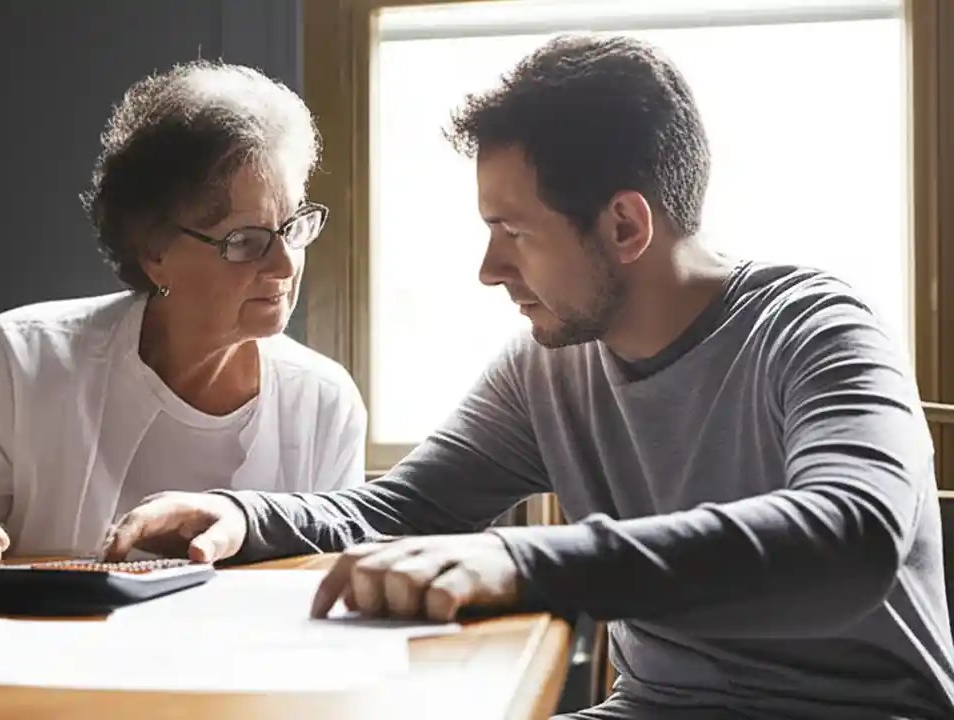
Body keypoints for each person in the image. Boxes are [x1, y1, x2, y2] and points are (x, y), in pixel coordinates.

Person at [101, 35, 954, 719]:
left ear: (624, 224)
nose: (488, 268)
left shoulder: (816, 329)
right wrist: (241, 515)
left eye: (513, 230)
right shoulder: (548, 365)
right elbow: (395, 511)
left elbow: (855, 533)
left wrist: (520, 559)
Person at [0, 61, 367, 587]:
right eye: (245, 242)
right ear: (154, 252)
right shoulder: (25, 359)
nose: (286, 265)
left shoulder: (323, 400)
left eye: (293, 228)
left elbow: (324, 594)